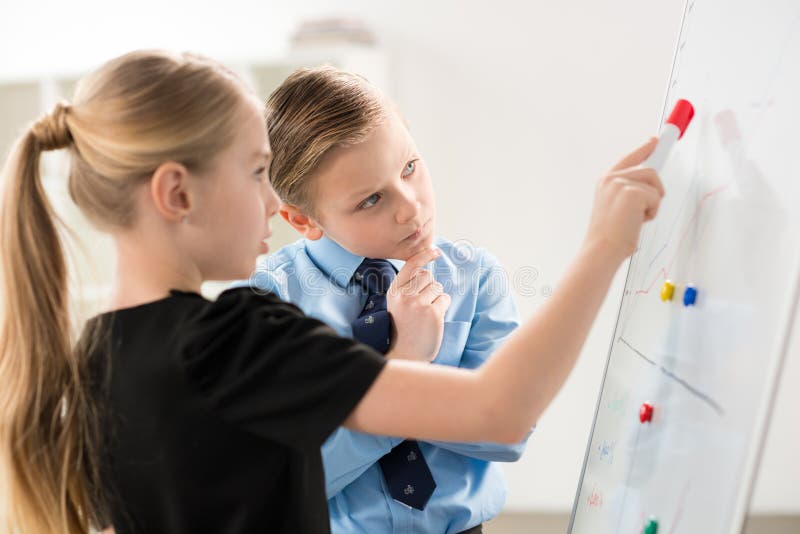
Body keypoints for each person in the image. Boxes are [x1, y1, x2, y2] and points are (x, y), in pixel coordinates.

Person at [0, 49, 663, 534]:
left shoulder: (97, 350)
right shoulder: (241, 330)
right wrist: (606, 245)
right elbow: (501, 410)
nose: (271, 199)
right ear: (177, 193)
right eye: (258, 172)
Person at [249, 66, 531, 534]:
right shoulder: (269, 305)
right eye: (370, 200)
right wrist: (406, 364)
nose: (410, 207)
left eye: (410, 168)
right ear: (302, 221)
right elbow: (286, 481)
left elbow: (509, 429)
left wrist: (357, 416)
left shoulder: (474, 275)